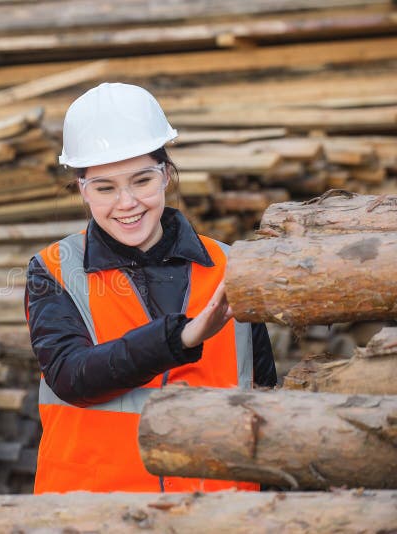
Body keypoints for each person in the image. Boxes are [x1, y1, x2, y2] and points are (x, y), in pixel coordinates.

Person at [25, 83, 277, 494]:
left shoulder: (232, 268)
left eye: (142, 180)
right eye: (105, 188)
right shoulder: (54, 270)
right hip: (93, 515)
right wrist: (180, 337)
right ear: (82, 191)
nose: (127, 203)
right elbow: (72, 376)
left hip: (218, 512)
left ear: (166, 175)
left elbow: (266, 396)